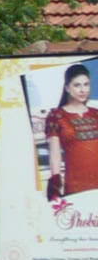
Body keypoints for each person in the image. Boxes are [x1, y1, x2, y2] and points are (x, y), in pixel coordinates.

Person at [45, 62, 98, 199]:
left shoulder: (96, 114)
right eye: (77, 85)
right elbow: (55, 154)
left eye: (86, 84)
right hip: (76, 186)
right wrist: (55, 184)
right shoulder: (56, 116)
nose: (83, 90)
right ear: (67, 88)